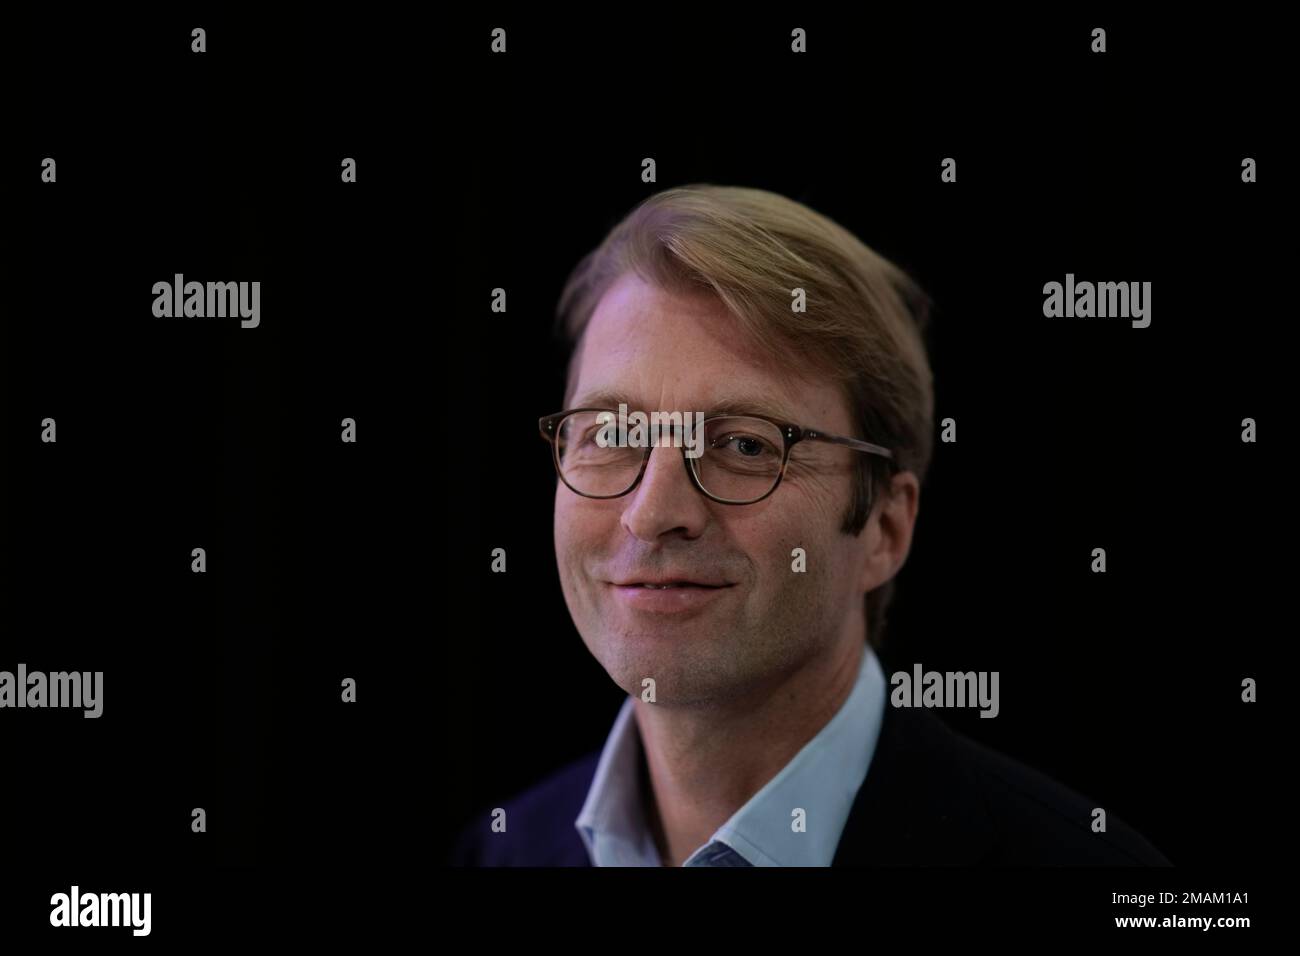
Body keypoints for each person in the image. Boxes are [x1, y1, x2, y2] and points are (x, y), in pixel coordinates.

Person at [452, 185, 1169, 867]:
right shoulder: (496, 853)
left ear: (886, 527)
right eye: (609, 433)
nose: (653, 512)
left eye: (745, 445)